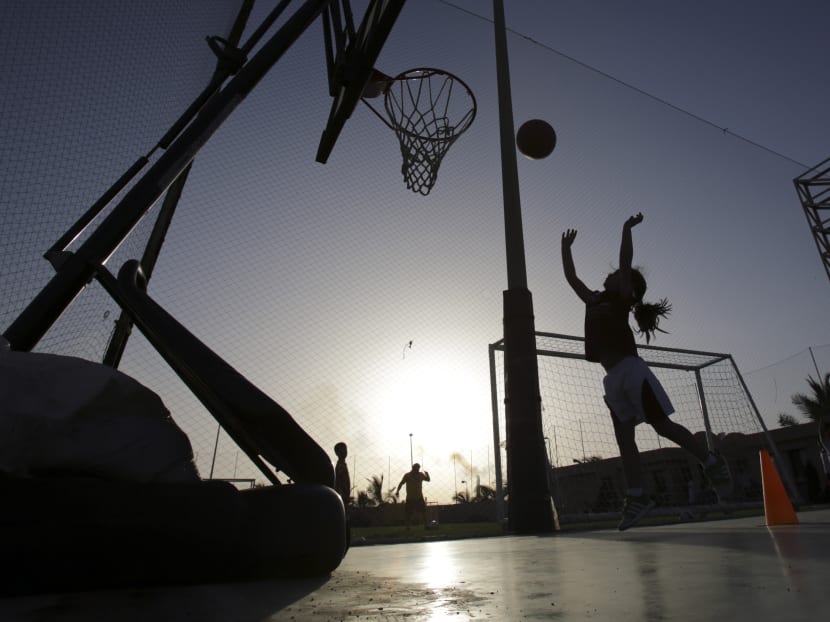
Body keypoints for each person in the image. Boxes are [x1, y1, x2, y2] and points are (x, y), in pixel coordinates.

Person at [561, 213, 732, 530]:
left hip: (631, 371)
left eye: (616, 274)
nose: (610, 274)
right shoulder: (593, 299)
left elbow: (625, 261)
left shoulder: (621, 299)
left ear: (628, 285)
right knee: (624, 439)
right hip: (612, 378)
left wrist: (626, 229)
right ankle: (637, 495)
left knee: (661, 425)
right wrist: (566, 249)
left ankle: (710, 460)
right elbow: (572, 279)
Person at [396, 463, 431, 528]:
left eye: (418, 468)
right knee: (408, 513)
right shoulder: (407, 475)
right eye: (416, 467)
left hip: (419, 497)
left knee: (423, 512)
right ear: (413, 468)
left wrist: (427, 474)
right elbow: (401, 483)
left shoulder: (420, 474)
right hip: (410, 497)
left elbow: (428, 480)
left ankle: (426, 526)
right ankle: (408, 526)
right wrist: (397, 491)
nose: (417, 469)